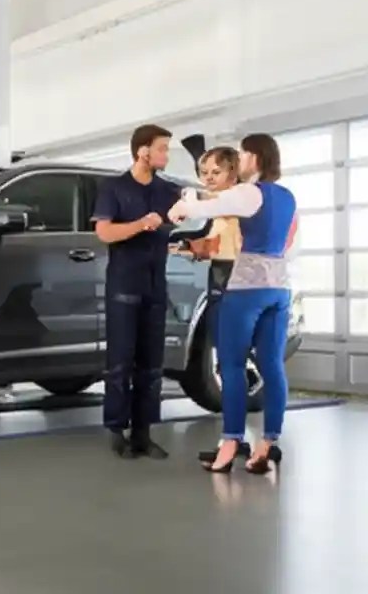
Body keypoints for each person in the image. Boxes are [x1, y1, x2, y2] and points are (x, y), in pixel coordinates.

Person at [168, 133, 297, 474]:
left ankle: (229, 445)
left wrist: (183, 204)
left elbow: (210, 206)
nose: (240, 159)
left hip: (247, 288)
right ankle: (266, 446)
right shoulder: (286, 196)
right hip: (279, 287)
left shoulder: (249, 192)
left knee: (233, 366)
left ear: (254, 156)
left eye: (243, 153)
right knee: (272, 365)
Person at [92, 124, 182, 460]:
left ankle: (143, 433)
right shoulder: (113, 188)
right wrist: (141, 224)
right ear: (143, 151)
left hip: (156, 285)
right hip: (123, 286)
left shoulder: (169, 191)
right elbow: (105, 232)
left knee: (152, 365)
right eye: (162, 148)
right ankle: (117, 430)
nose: (166, 155)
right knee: (119, 363)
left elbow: (186, 221)